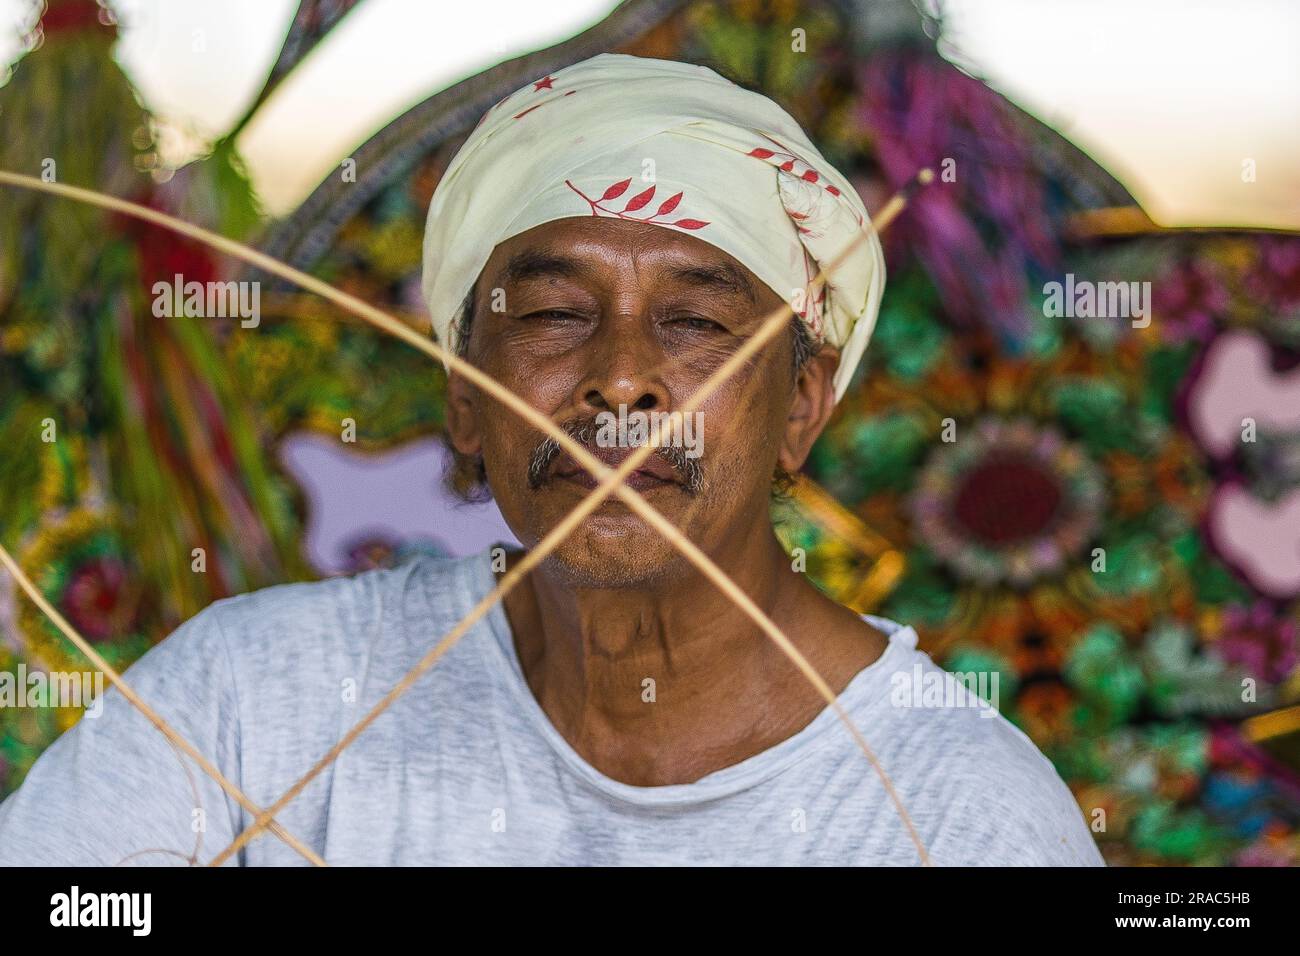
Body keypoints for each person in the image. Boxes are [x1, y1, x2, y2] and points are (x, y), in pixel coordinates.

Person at [0, 53, 1103, 866]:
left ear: (801, 405)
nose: (620, 379)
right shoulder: (246, 701)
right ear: (466, 402)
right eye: (554, 312)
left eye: (697, 323)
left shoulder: (960, 814)